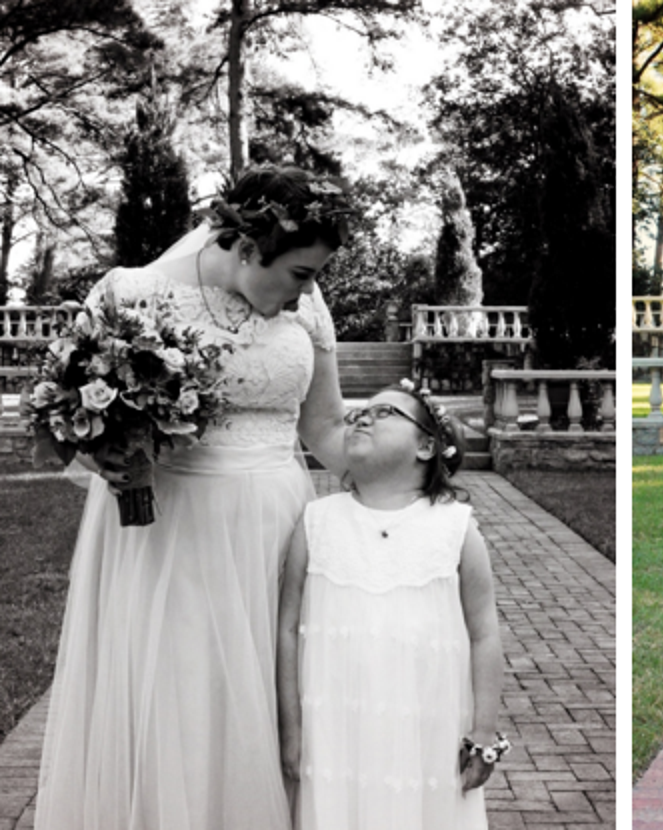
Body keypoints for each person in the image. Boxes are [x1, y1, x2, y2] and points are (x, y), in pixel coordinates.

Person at [35, 165, 356, 830]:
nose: (306, 292)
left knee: (271, 689)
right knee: (180, 691)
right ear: (248, 248)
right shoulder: (133, 293)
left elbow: (325, 428)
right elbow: (67, 419)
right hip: (173, 535)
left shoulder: (308, 306)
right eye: (300, 273)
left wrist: (407, 477)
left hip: (277, 529)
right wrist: (103, 455)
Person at [276, 381, 505, 830]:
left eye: (385, 413)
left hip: (427, 732)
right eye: (359, 412)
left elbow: (484, 634)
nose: (363, 416)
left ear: (426, 446)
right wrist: (291, 726)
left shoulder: (456, 528)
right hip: (333, 733)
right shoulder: (317, 522)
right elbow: (286, 629)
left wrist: (483, 732)